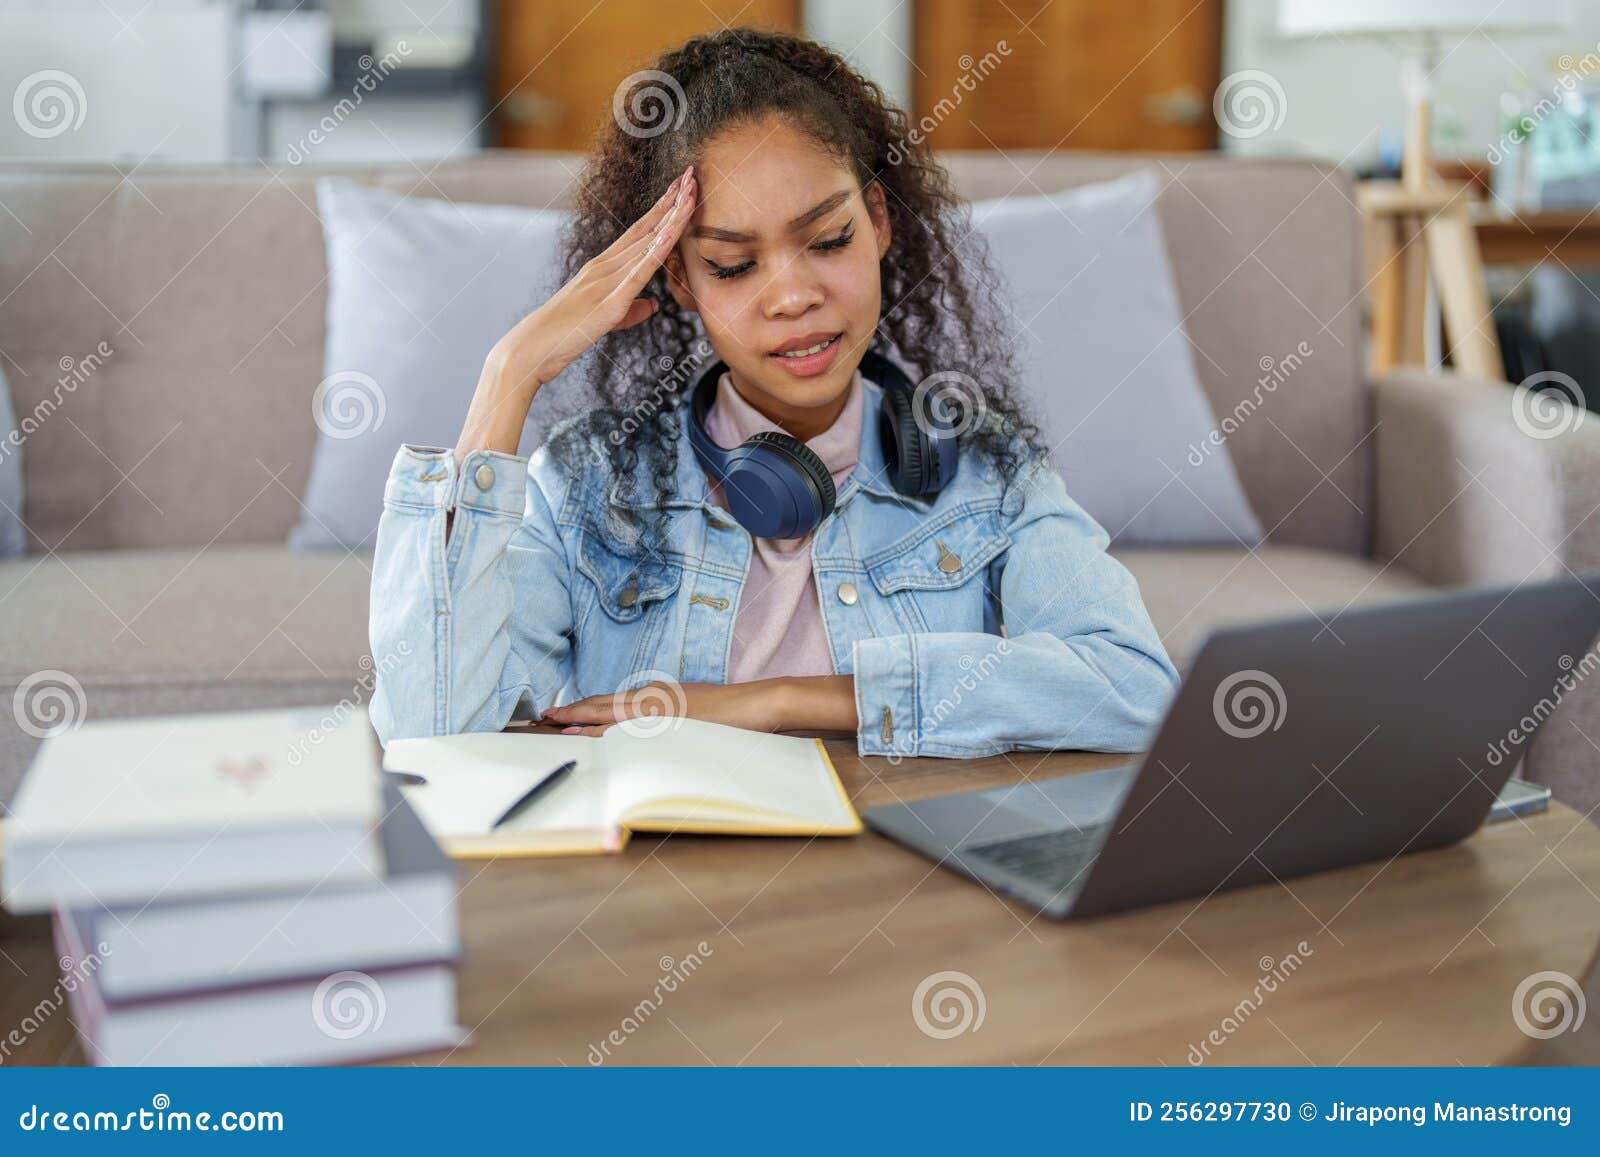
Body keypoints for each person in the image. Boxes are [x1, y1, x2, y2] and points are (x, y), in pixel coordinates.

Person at [368, 27, 1178, 758]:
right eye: (732, 263)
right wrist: (508, 375)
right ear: (679, 279)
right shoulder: (585, 486)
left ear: (878, 222)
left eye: (828, 240)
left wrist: (780, 703)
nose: (793, 296)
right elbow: (429, 732)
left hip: (899, 889)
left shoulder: (985, 472)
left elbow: (1137, 688)